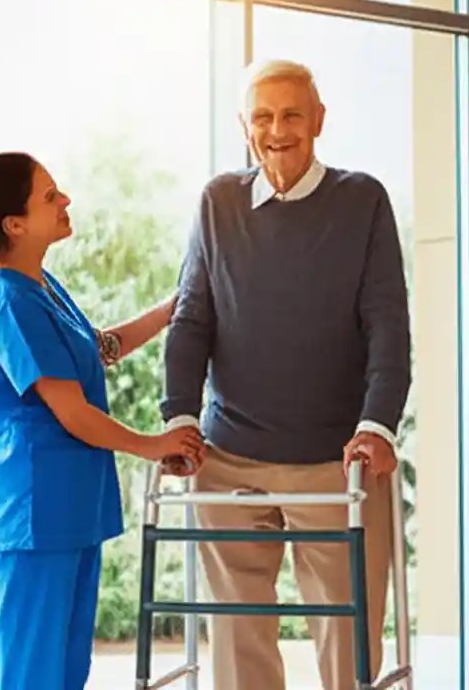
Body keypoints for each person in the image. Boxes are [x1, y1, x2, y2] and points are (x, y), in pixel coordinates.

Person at [161, 58, 411, 690]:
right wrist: (180, 418)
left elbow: (387, 324)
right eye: (263, 117)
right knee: (238, 634)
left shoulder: (362, 200)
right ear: (244, 126)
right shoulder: (218, 201)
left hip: (336, 459)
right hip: (229, 457)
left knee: (348, 639)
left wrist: (377, 426)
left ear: (318, 120)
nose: (277, 131)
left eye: (292, 115)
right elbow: (191, 318)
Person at [0, 151, 207, 690]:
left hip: (68, 512)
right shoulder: (8, 301)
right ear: (14, 224)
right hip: (34, 518)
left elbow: (99, 348)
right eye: (49, 196)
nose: (65, 200)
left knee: (66, 674)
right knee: (33, 677)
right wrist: (154, 444)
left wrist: (173, 308)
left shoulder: (40, 287)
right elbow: (72, 412)